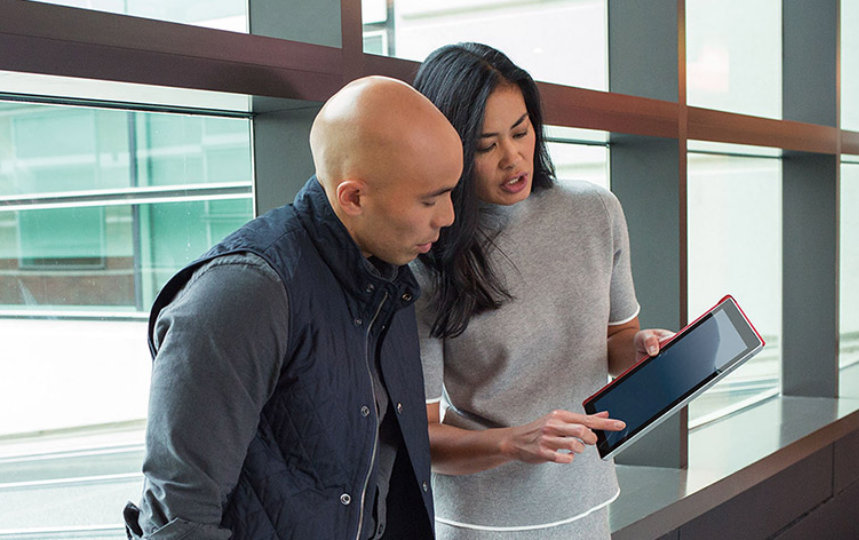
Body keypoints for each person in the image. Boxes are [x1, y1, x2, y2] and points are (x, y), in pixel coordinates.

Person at [122, 75, 463, 539]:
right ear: (353, 197)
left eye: (449, 193)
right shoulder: (245, 292)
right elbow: (179, 515)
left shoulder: (392, 279)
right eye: (430, 198)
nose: (447, 216)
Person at [411, 43, 673, 539]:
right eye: (486, 146)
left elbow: (616, 343)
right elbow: (422, 437)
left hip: (588, 499)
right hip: (481, 519)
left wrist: (638, 350)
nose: (513, 159)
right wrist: (514, 443)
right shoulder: (429, 252)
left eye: (521, 131)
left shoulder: (597, 212)